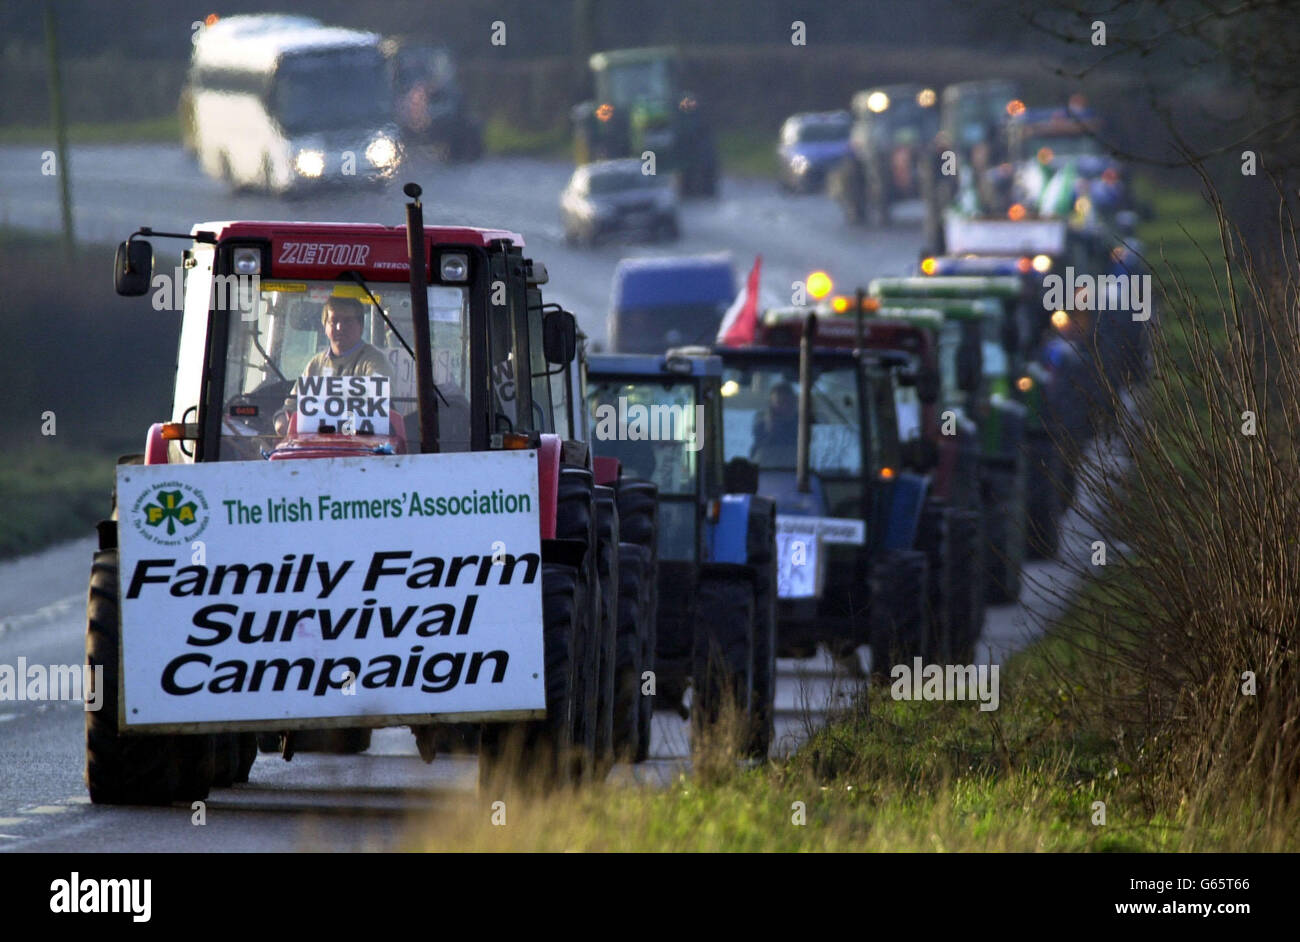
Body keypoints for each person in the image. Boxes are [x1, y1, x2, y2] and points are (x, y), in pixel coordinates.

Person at [275, 296, 391, 434]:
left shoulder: (374, 361)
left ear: (360, 326)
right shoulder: (315, 364)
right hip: (314, 448)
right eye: (333, 321)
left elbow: (380, 409)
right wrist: (281, 420)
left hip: (362, 449)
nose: (339, 327)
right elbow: (290, 407)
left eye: (347, 321)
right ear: (325, 327)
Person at [750, 381, 800, 467]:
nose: (785, 406)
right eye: (780, 402)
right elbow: (756, 457)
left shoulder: (803, 425)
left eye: (788, 402)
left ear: (794, 402)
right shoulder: (762, 427)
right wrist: (770, 429)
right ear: (771, 405)